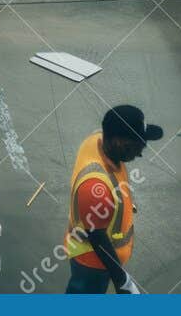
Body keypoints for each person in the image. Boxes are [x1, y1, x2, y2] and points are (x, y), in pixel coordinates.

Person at [66, 105, 163, 294]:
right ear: (118, 142)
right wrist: (122, 281)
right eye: (136, 146)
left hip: (95, 257)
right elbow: (97, 238)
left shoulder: (97, 141)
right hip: (92, 263)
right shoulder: (96, 187)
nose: (140, 153)